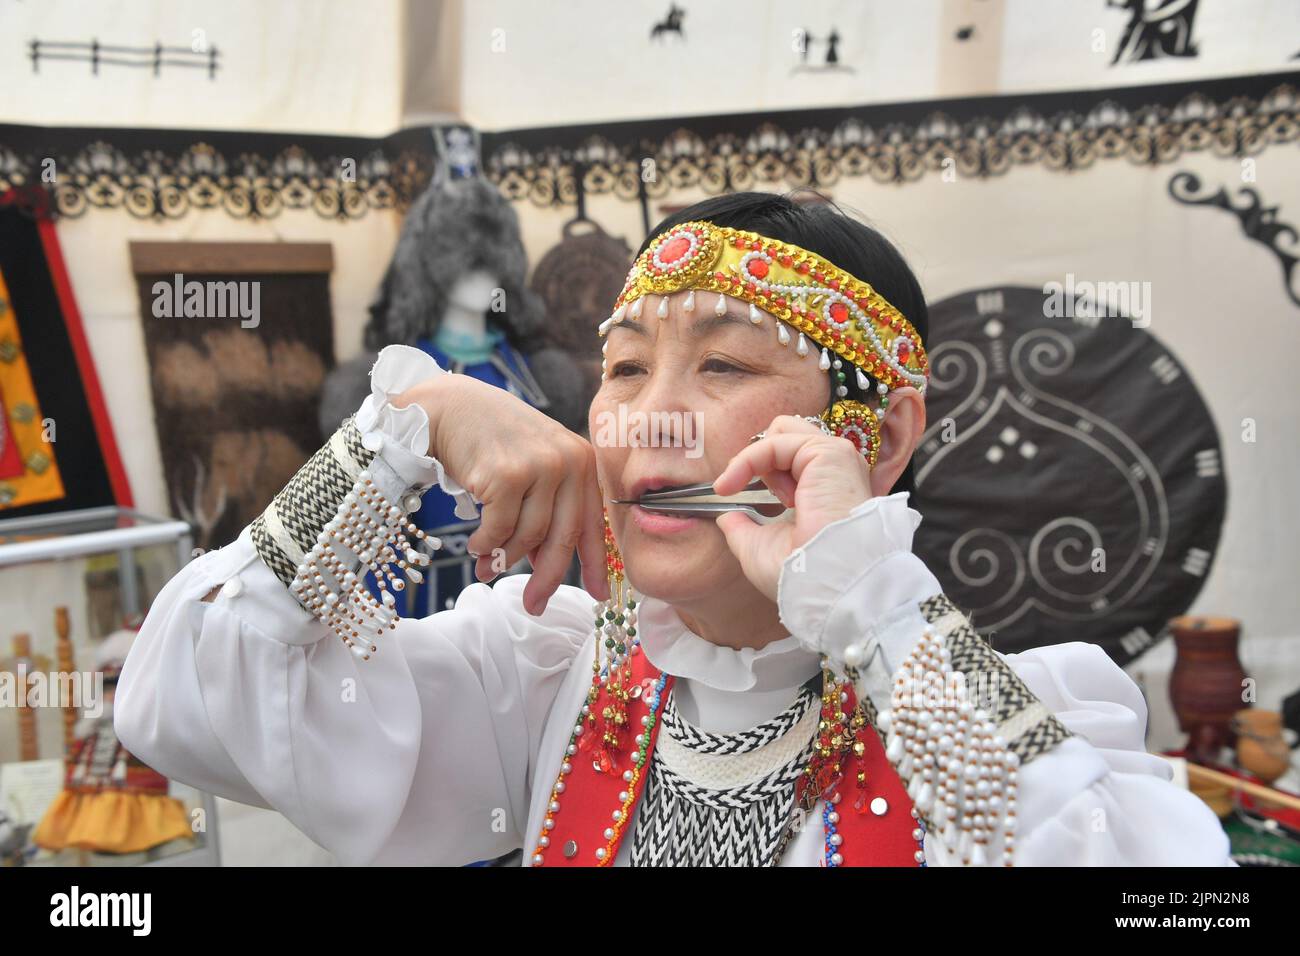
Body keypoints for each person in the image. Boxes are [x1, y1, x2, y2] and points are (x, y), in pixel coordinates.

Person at [115, 191, 1231, 866]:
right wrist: (399, 427)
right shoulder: (547, 664)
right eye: (625, 366)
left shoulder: (1025, 710)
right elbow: (191, 702)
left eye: (727, 363)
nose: (646, 417)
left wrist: (863, 593)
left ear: (879, 437)